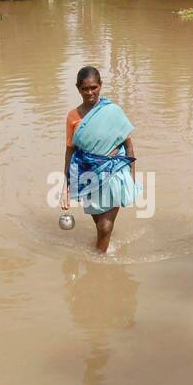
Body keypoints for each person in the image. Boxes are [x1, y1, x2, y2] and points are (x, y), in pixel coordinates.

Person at [61, 66, 138, 254]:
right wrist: (66, 186)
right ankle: (104, 248)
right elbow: (70, 151)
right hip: (88, 172)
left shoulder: (112, 111)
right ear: (78, 88)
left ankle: (99, 263)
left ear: (101, 86)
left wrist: (132, 178)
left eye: (94, 87)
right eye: (85, 88)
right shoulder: (73, 116)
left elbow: (128, 145)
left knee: (104, 226)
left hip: (114, 170)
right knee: (98, 222)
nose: (90, 92)